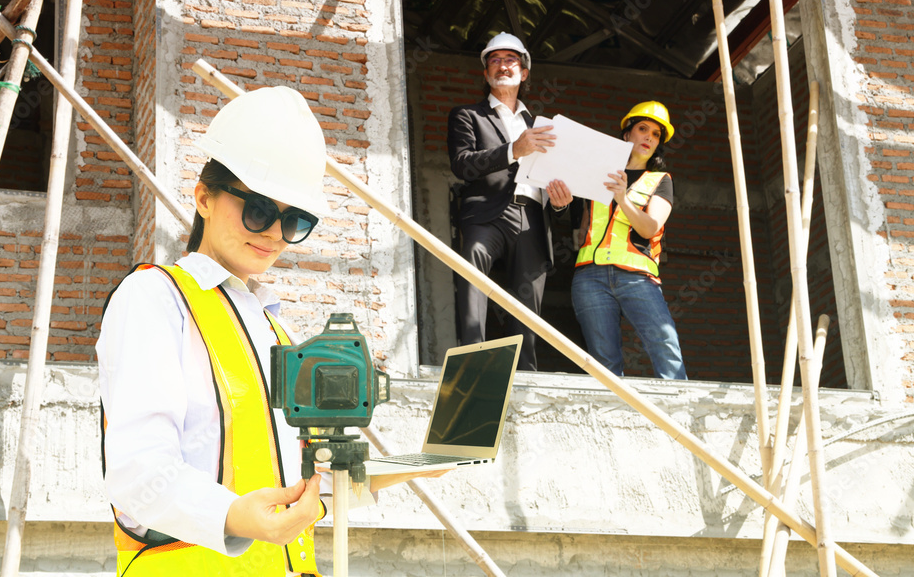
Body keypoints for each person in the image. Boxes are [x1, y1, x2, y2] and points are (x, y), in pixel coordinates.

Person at [97, 87, 439, 576]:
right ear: (204, 199)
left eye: (296, 220)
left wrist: (401, 470)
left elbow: (287, 480)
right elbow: (137, 474)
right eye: (258, 210)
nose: (275, 233)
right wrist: (234, 516)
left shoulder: (273, 327)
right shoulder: (155, 297)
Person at [447, 32, 572, 371]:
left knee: (528, 299)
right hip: (485, 212)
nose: (503, 66)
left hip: (531, 216)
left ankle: (524, 372)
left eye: (510, 60)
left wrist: (560, 203)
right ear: (486, 72)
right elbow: (462, 164)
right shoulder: (467, 116)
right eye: (495, 60)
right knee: (471, 269)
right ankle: (471, 361)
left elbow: (555, 180)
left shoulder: (542, 127)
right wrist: (514, 150)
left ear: (524, 72)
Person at [569, 101, 688, 380]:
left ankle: (679, 417)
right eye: (643, 129)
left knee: (665, 345)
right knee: (603, 360)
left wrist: (622, 197)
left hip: (637, 278)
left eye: (656, 134)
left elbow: (649, 228)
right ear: (626, 135)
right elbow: (583, 227)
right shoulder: (599, 174)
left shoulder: (660, 180)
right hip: (589, 277)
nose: (649, 136)